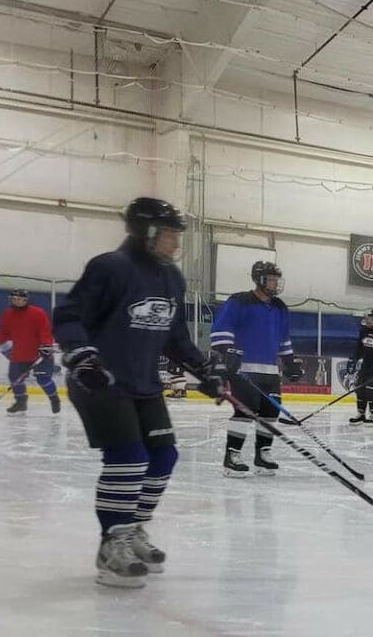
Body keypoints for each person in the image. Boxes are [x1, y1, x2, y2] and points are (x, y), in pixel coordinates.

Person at [51, 197, 228, 588]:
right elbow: (69, 315)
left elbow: (175, 337)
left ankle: (132, 528)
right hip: (101, 381)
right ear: (147, 232)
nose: (176, 244)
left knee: (164, 456)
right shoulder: (110, 268)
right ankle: (111, 542)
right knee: (128, 458)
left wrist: (204, 370)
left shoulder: (172, 278)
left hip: (145, 385)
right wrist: (82, 356)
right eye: (169, 235)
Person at [210, 261, 302, 477]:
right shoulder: (240, 301)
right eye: (271, 279)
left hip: (270, 370)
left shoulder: (279, 307)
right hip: (244, 369)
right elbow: (221, 328)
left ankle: (263, 454)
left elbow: (283, 338)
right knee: (245, 410)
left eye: (276, 279)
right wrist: (227, 350)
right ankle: (232, 457)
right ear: (259, 280)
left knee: (271, 412)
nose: (275, 284)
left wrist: (289, 363)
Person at [0, 288, 60, 415]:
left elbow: (45, 331)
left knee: (43, 378)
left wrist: (46, 346)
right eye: (14, 299)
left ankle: (54, 398)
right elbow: (4, 332)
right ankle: (21, 402)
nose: (16, 301)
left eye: (19, 299)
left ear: (26, 300)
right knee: (14, 378)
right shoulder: (8, 314)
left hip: (40, 354)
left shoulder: (38, 313)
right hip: (20, 353)